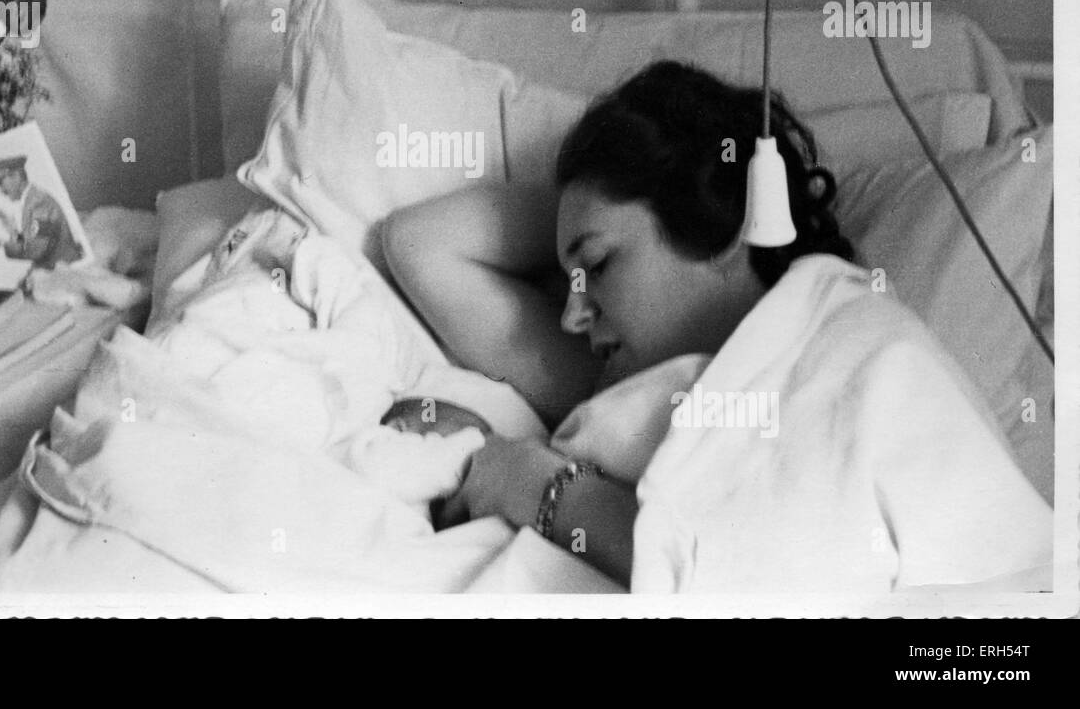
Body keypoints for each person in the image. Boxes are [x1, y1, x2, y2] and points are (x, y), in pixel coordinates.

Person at [381, 60, 1052, 593]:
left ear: (726, 228)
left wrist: (536, 484)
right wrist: (587, 217)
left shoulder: (854, 351)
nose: (569, 310)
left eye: (601, 264)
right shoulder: (618, 379)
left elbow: (771, 582)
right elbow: (418, 245)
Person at [0, 155, 84, 269]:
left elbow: (37, 250)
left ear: (16, 176)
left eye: (0, 183)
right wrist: (14, 232)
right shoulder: (31, 201)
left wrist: (2, 244)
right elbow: (34, 242)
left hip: (65, 270)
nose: (1, 191)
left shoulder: (39, 202)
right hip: (56, 269)